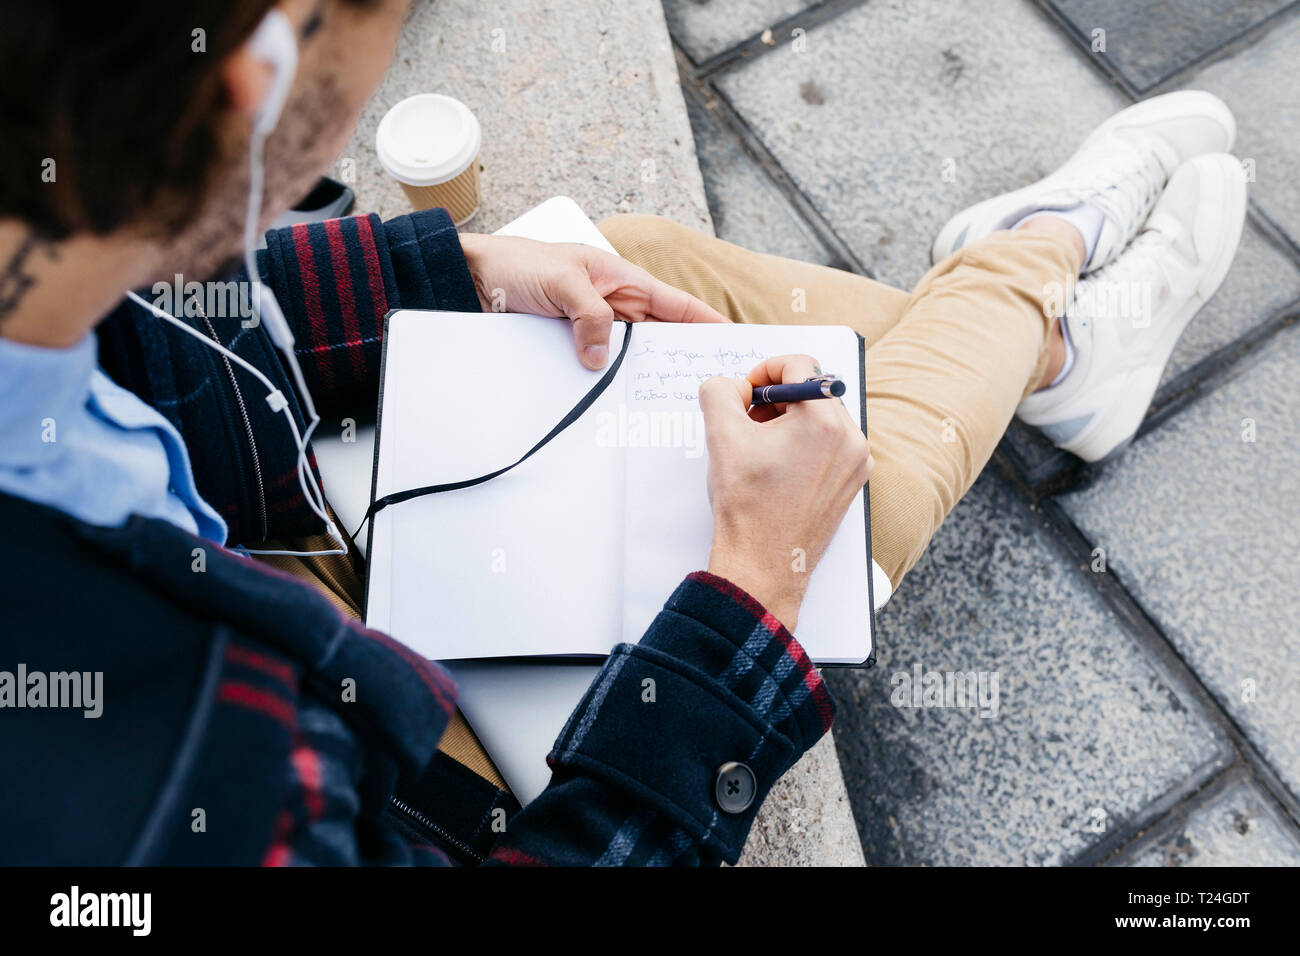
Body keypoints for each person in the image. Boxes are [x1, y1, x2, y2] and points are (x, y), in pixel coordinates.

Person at [0, 0, 1244, 866]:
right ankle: (1038, 284)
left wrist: (447, 265)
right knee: (848, 500)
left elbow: (140, 319)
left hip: (268, 540)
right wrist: (749, 589)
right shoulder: (147, 793)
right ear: (248, 92)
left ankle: (1042, 327)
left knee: (623, 266)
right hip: (414, 770)